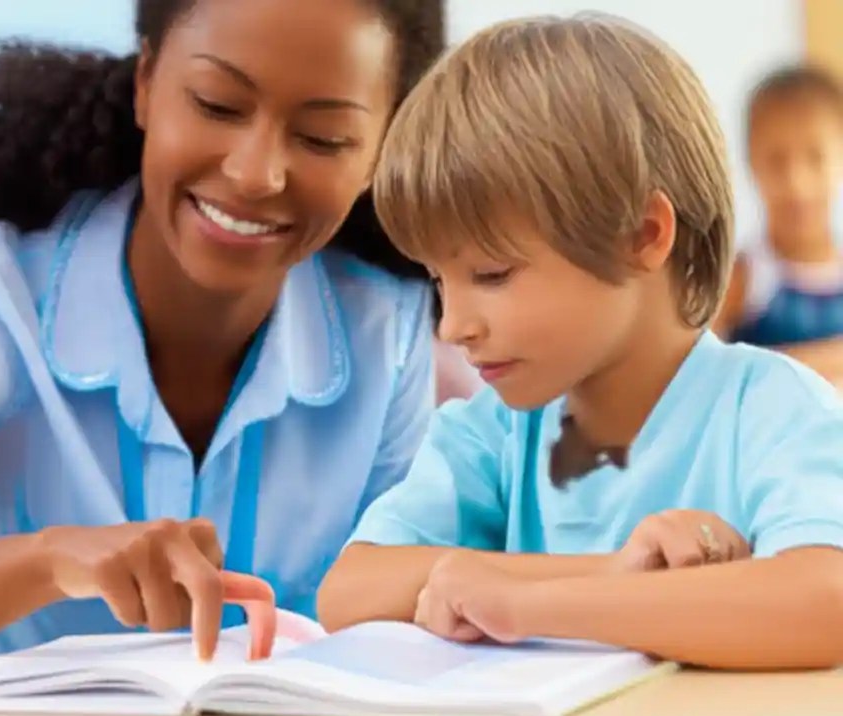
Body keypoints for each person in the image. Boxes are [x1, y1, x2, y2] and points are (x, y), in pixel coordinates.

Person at [0, 0, 445, 682]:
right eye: (217, 105)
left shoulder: (387, 327)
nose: (256, 173)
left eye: (324, 139)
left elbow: (403, 616)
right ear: (146, 83)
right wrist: (50, 561)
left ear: (381, 150)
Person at [318, 14, 843, 670]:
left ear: (642, 236)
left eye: (491, 274)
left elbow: (825, 601)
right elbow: (349, 592)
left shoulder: (772, 409)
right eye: (438, 281)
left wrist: (527, 604)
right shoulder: (491, 433)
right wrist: (614, 574)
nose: (452, 327)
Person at [713, 66, 843, 381]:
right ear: (750, 162)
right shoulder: (741, 278)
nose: (797, 183)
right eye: (776, 160)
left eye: (815, 157)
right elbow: (703, 373)